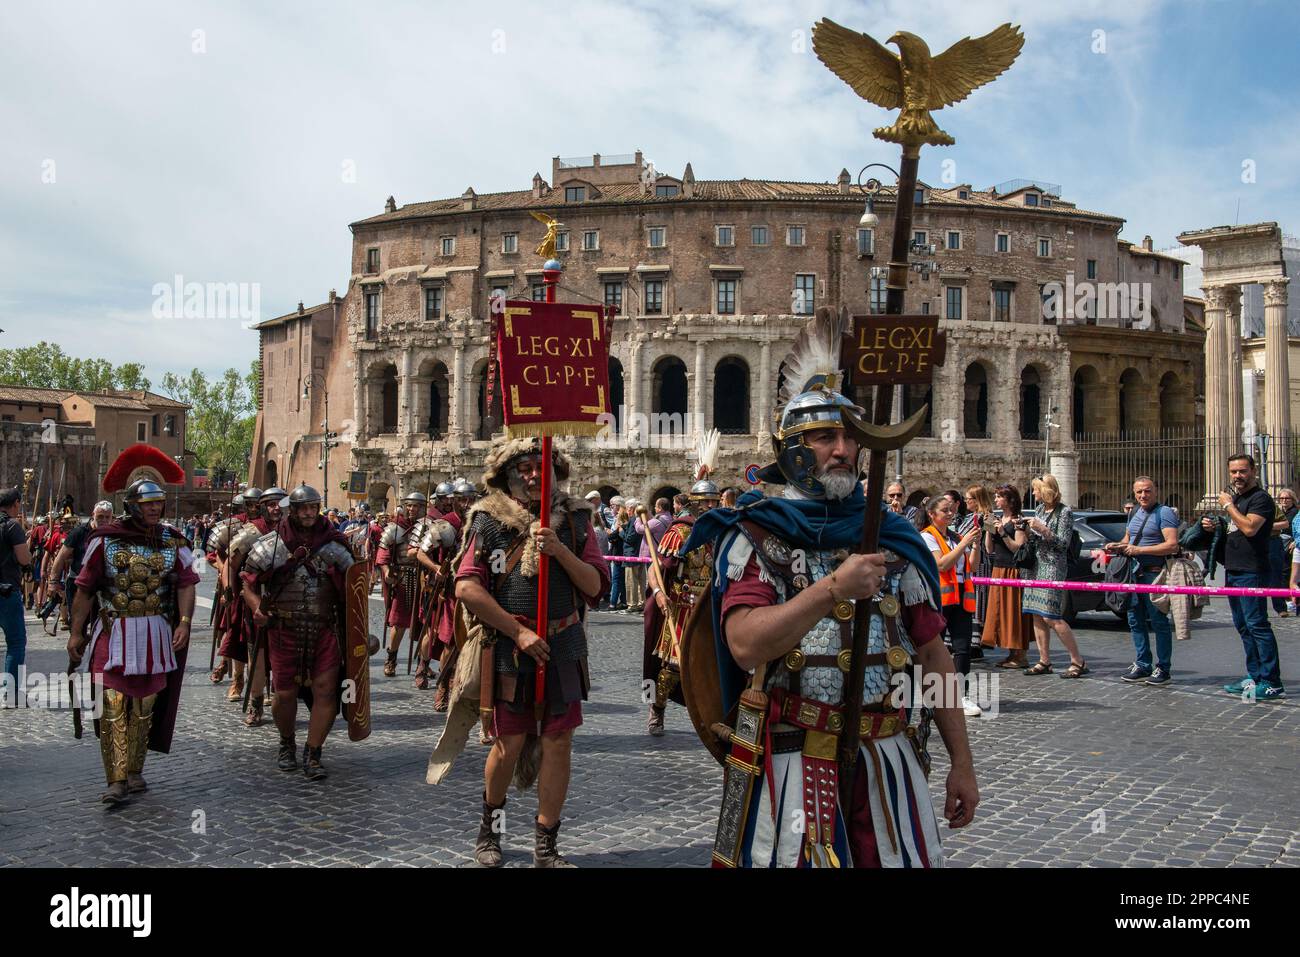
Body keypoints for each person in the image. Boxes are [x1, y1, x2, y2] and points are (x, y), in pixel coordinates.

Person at [683, 309, 976, 868]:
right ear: (791, 447)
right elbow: (744, 644)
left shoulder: (894, 539)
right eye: (823, 437)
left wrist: (962, 760)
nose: (842, 449)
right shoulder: (757, 535)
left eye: (850, 437)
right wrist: (831, 590)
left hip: (887, 757)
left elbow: (935, 655)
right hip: (796, 756)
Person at [454, 436, 609, 867]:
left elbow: (595, 586)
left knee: (559, 742)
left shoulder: (577, 520)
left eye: (541, 466)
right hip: (510, 648)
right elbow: (467, 586)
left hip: (563, 644)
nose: (534, 475)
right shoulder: (487, 521)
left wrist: (559, 551)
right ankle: (492, 830)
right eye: (523, 468)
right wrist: (516, 632)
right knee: (509, 742)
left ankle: (547, 843)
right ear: (506, 475)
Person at [67, 446, 197, 805]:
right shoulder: (105, 541)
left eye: (158, 503)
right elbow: (85, 588)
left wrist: (184, 622)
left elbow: (187, 582)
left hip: (155, 631)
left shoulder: (173, 540)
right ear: (132, 505)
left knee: (144, 706)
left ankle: (135, 770)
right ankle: (116, 779)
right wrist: (77, 631)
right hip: (114, 631)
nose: (154, 508)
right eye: (147, 503)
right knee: (111, 703)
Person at [241, 485, 359, 778]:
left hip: (324, 628)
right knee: (284, 693)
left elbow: (355, 589)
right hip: (284, 628)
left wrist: (357, 630)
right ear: (291, 511)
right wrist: (257, 607)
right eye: (303, 508)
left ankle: (313, 752)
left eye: (313, 507)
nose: (309, 513)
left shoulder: (335, 544)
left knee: (325, 690)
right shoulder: (271, 545)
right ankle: (287, 743)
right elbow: (248, 583)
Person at [644, 441, 720, 737]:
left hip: (711, 608)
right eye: (707, 503)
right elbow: (656, 570)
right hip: (682, 606)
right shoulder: (680, 532)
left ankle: (708, 715)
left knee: (710, 666)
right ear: (697, 504)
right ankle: (657, 710)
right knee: (671, 668)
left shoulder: (720, 531)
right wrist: (660, 594)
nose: (711, 507)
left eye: (714, 502)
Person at [1207, 454, 1285, 701]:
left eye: (1242, 471)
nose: (1237, 476)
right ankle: (1254, 676)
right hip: (1235, 569)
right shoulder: (1239, 499)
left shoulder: (1261, 498)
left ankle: (1271, 681)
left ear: (1253, 470)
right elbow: (1237, 528)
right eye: (1233, 472)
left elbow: (1251, 527)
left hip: (1253, 571)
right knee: (1243, 627)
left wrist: (1228, 506)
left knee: (1257, 625)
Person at [1110, 476, 1180, 685]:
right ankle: (1142, 664)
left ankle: (1163, 668)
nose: (1143, 495)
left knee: (1158, 622)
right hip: (1134, 574)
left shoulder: (1164, 513)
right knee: (1135, 621)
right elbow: (1128, 539)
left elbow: (1172, 545)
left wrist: (1140, 550)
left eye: (1147, 491)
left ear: (1155, 491)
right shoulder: (1134, 513)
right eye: (1139, 492)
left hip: (1154, 574)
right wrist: (1116, 546)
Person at [1021, 475, 1088, 679]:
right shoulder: (1040, 510)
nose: (1033, 493)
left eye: (1036, 490)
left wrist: (1044, 530)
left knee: (1052, 616)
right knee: (1036, 614)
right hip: (1035, 566)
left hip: (1052, 567)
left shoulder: (1065, 512)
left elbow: (1063, 544)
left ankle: (1077, 660)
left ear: (1046, 490)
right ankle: (1044, 660)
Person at [920, 495, 982, 717]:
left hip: (961, 600)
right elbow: (942, 564)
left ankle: (960, 694)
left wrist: (975, 545)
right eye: (944, 510)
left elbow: (972, 566)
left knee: (962, 648)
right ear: (932, 514)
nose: (949, 514)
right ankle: (934, 692)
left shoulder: (956, 537)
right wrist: (964, 543)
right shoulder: (928, 536)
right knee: (934, 648)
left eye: (951, 510)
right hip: (940, 600)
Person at [376, 491, 426, 677]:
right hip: (403, 578)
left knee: (425, 622)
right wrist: (387, 570)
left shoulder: (429, 528)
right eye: (410, 505)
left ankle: (424, 662)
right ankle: (391, 659)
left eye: (417, 506)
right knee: (399, 622)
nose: (412, 509)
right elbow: (383, 553)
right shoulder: (394, 527)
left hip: (424, 579)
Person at [982, 485, 1031, 669]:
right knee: (1001, 611)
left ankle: (1020, 655)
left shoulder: (1018, 521)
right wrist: (989, 528)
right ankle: (1011, 653)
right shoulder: (999, 519)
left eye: (998, 497)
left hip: (1013, 570)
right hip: (998, 568)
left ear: (1009, 500)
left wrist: (1002, 532)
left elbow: (1018, 547)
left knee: (1014, 611)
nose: (995, 500)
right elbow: (989, 549)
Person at [0, 489, 33, 691]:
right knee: (15, 643)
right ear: (15, 504)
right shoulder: (12, 526)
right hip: (6, 592)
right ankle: (10, 693)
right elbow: (24, 559)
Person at [962, 485, 995, 658]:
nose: (966, 501)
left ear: (977, 500)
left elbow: (990, 547)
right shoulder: (970, 517)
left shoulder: (987, 517)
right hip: (969, 561)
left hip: (980, 563)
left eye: (969, 498)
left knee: (978, 601)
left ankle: (977, 642)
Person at [1268, 487, 1295, 616]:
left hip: (1273, 542)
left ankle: (1281, 607)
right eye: (1282, 498)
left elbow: (1285, 524)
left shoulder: (1270, 506)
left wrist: (1263, 526)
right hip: (1254, 544)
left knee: (1277, 576)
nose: (1284, 500)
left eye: (1286, 498)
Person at [622, 498, 646, 613]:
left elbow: (630, 538)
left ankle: (632, 604)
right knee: (641, 580)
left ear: (631, 509)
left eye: (627, 509)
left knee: (631, 580)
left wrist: (622, 531)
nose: (627, 511)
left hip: (631, 553)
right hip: (640, 552)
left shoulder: (633, 520)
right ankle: (641, 602)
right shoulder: (642, 518)